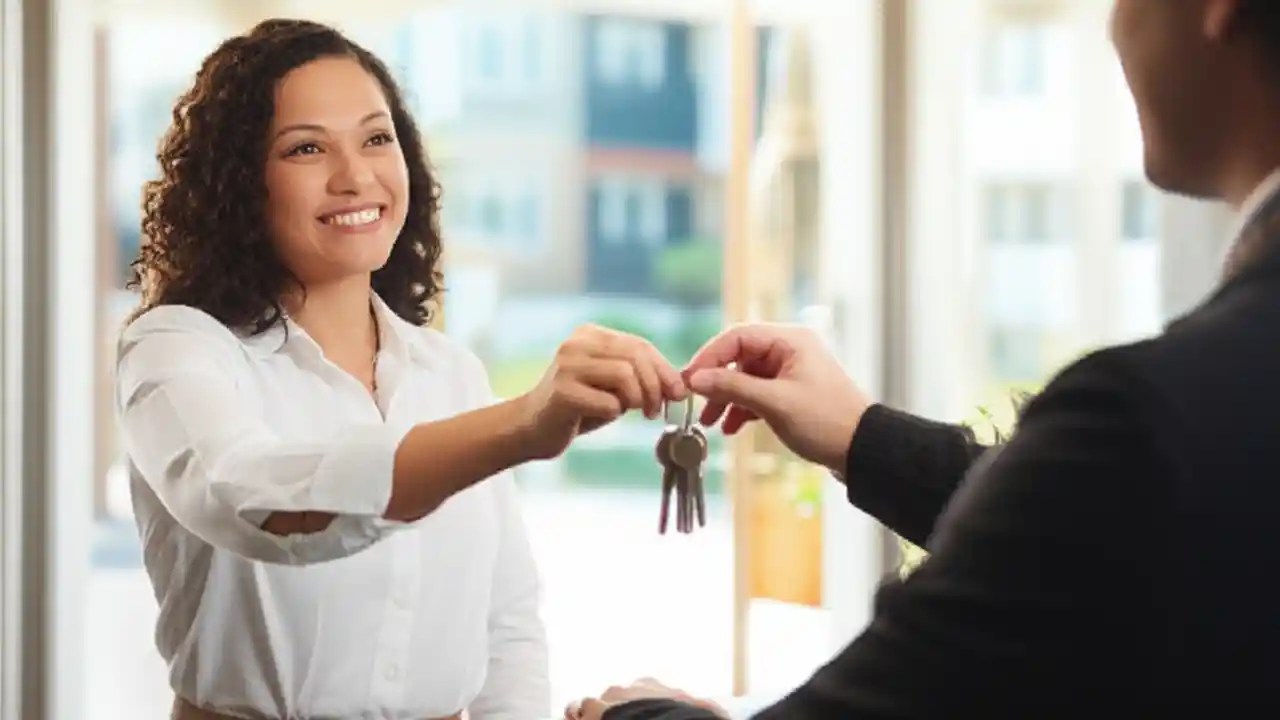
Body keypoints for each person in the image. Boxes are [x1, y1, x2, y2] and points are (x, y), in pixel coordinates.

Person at [569, 0, 1280, 716]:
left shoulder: (1142, 421)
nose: (1114, 25)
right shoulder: (1182, 425)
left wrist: (641, 715)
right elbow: (1099, 534)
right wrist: (862, 434)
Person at [116, 19, 687, 720]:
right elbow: (246, 495)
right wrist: (520, 426)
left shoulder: (451, 372)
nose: (356, 177)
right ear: (239, 183)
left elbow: (505, 624)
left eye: (376, 138)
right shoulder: (175, 348)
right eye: (306, 148)